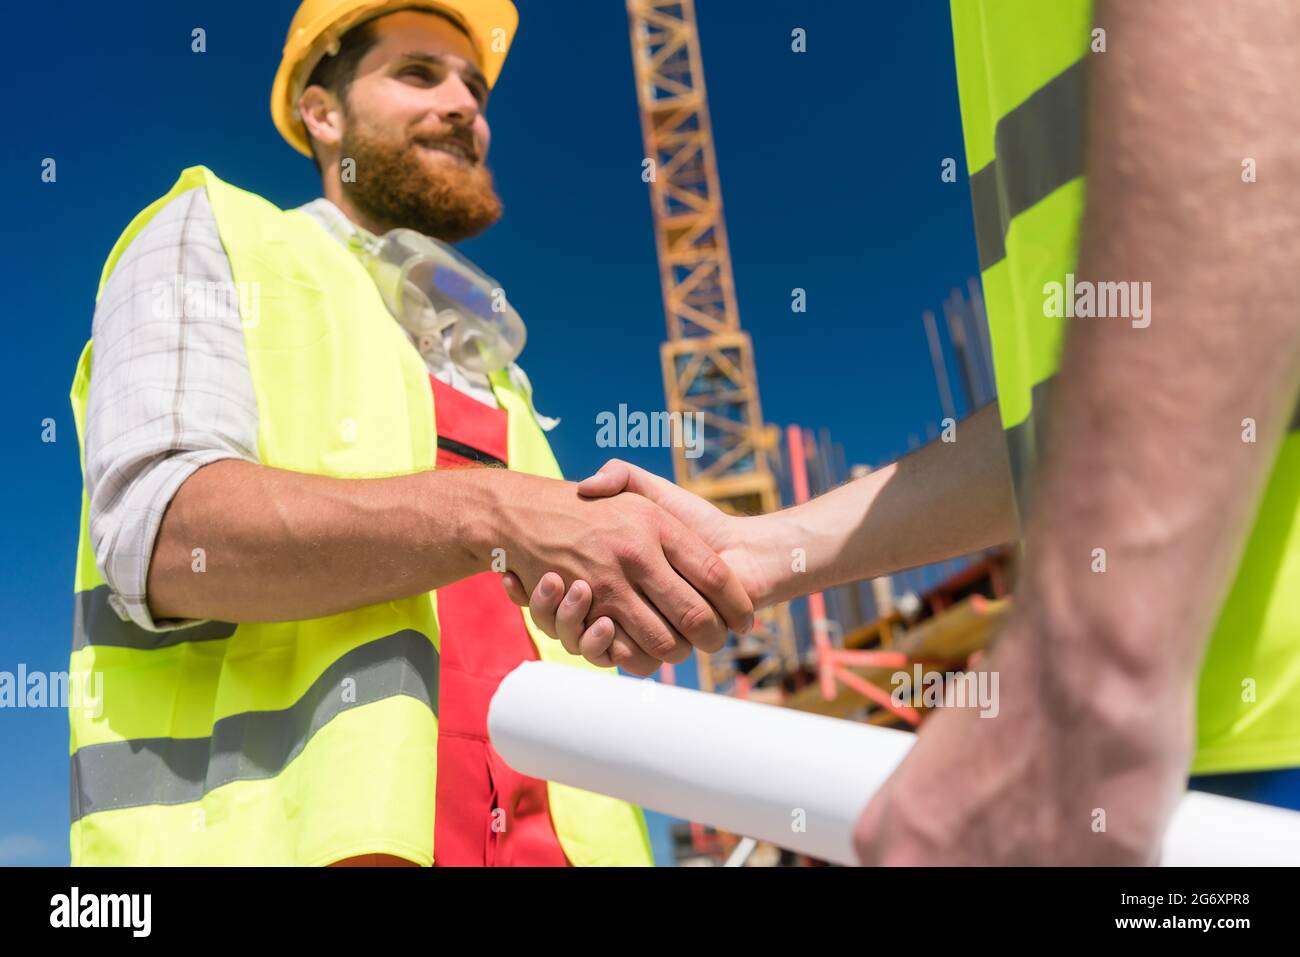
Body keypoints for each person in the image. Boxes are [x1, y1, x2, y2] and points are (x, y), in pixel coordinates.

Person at [509, 0, 1300, 864]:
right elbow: (1081, 429)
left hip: (1222, 737)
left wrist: (1096, 663)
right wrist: (757, 552)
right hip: (1194, 745)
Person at [67, 0, 754, 867]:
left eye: (473, 86)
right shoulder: (225, 244)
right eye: (418, 74)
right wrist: (498, 514)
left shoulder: (501, 375)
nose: (466, 105)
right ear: (322, 113)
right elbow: (161, 536)